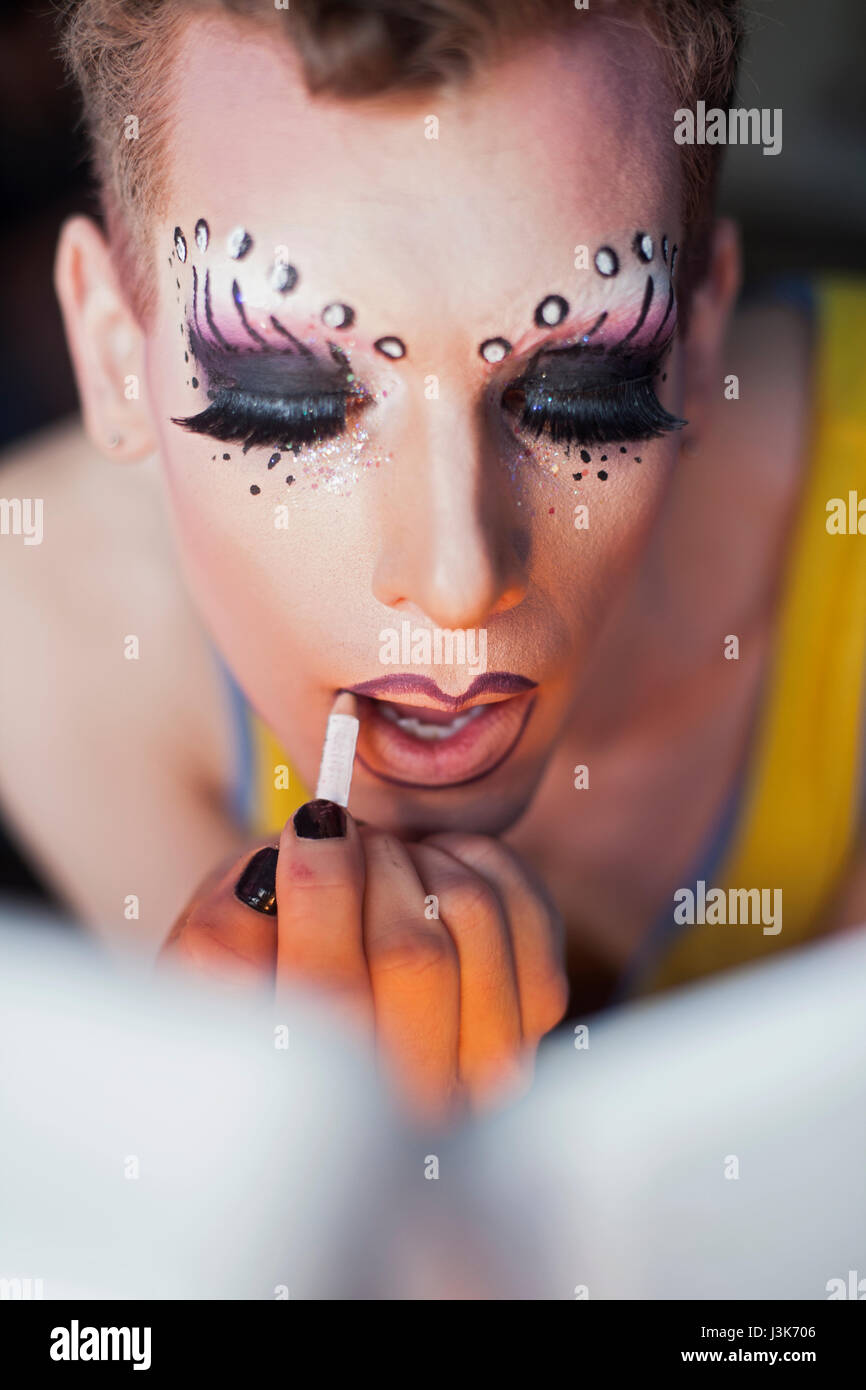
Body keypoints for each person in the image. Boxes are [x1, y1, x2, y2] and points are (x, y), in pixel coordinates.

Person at [0, 0, 863, 1121]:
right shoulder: (42, 621)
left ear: (696, 340)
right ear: (115, 354)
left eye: (576, 390)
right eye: (293, 405)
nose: (457, 582)